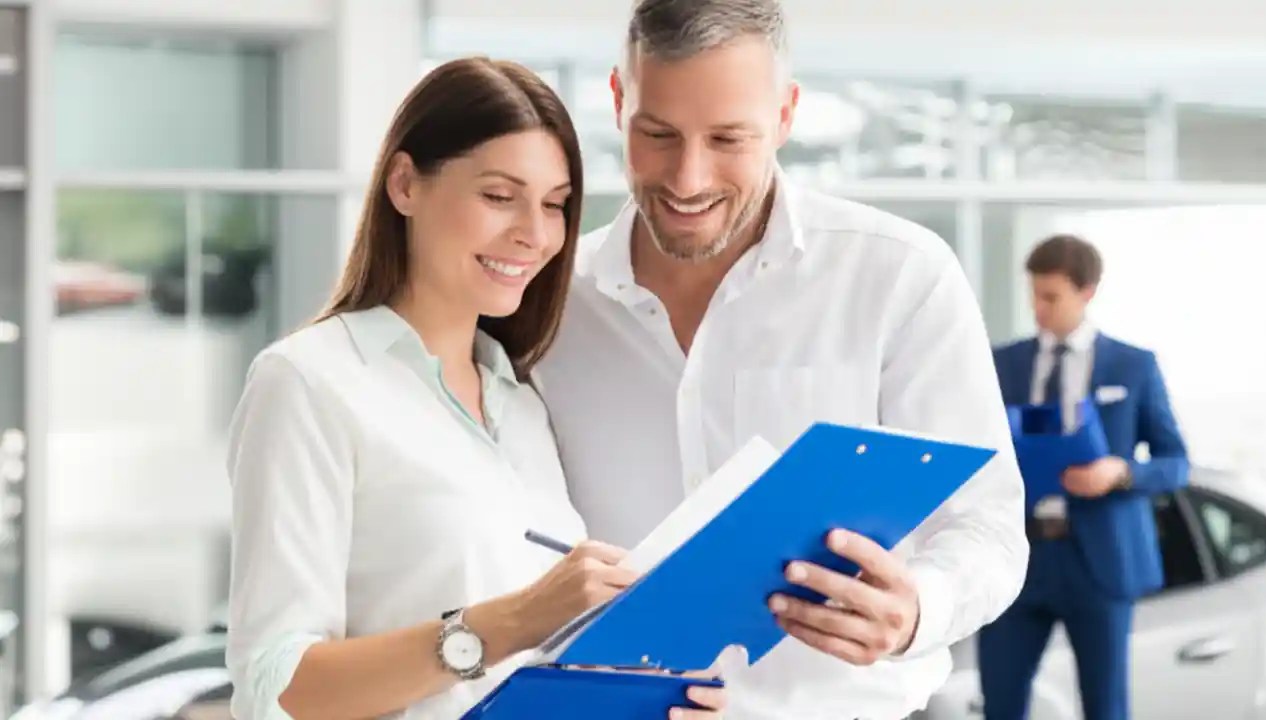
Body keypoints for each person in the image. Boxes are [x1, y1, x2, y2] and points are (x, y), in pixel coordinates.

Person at [531, 1, 1030, 718]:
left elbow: (988, 526)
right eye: (658, 134)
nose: (688, 179)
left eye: (728, 139)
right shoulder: (549, 301)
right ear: (617, 100)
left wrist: (918, 608)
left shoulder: (898, 276)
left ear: (786, 114)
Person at [223, 57, 727, 720]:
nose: (535, 234)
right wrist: (511, 621)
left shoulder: (522, 402)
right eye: (498, 196)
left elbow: (520, 676)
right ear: (405, 184)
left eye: (554, 205)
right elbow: (276, 685)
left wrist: (639, 698)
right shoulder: (310, 383)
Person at [978, 234, 1190, 720]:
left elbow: (1176, 461)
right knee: (999, 704)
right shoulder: (1001, 363)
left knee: (1105, 707)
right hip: (1017, 556)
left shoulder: (1134, 366)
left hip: (1100, 559)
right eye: (1034, 294)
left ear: (1087, 292)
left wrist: (1120, 473)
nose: (1038, 308)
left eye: (1051, 297)